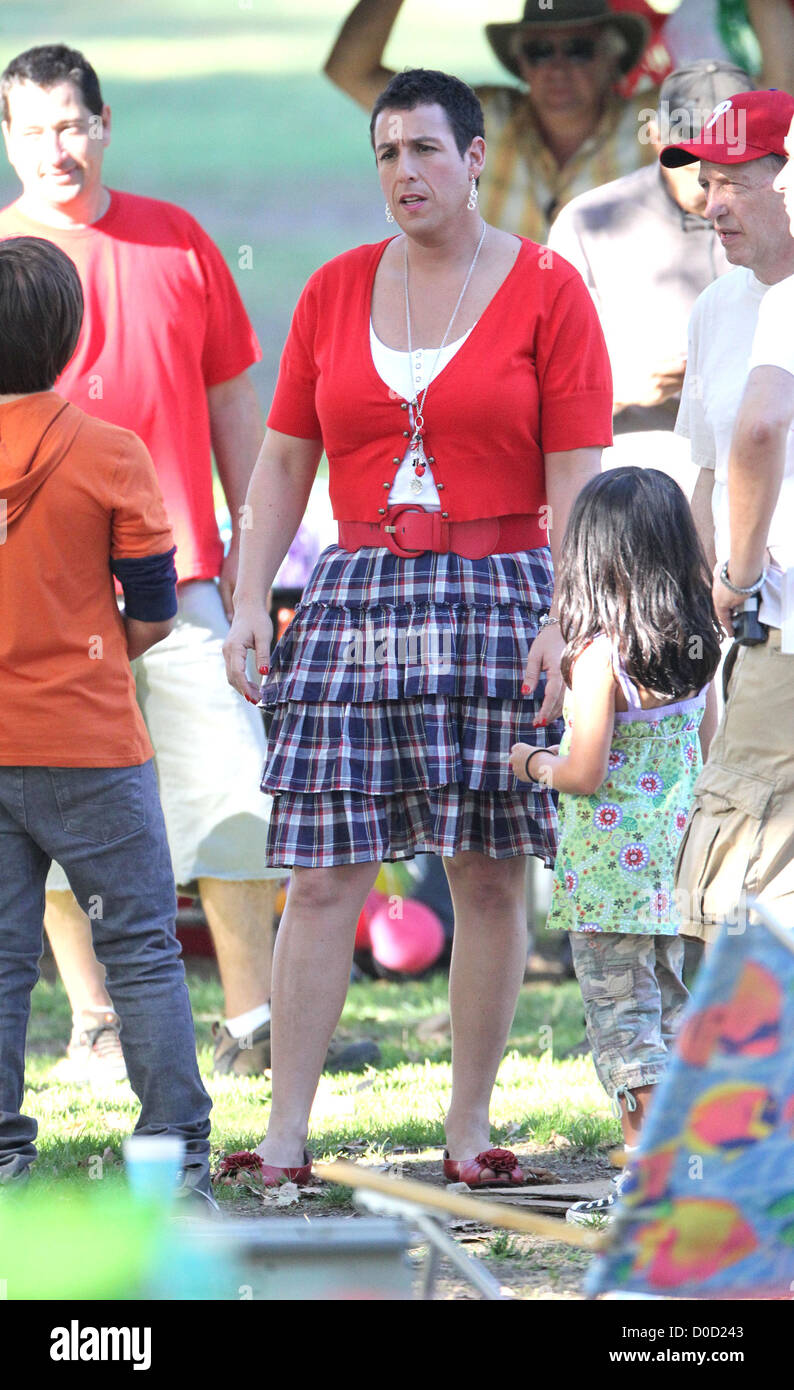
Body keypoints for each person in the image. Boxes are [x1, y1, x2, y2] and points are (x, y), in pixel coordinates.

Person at [223, 68, 613, 1188]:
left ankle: (467, 1126)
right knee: (323, 870)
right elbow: (284, 459)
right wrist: (252, 598)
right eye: (386, 152)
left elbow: (577, 476)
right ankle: (287, 1134)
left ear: (477, 155)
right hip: (355, 597)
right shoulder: (334, 289)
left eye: (426, 150)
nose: (403, 171)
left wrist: (569, 617)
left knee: (487, 873)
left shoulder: (546, 288)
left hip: (499, 589)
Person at [0, 45, 374, 1082]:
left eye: (70, 124)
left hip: (186, 577)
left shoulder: (179, 241)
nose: (55, 148)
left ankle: (250, 1022)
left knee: (235, 795)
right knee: (53, 797)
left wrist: (253, 577)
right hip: (35, 593)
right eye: (31, 129)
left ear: (105, 123)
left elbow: (236, 422)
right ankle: (94, 1021)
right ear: (7, 137)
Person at [0, 236, 213, 1197]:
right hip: (90, 743)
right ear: (71, 337)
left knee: (3, 963)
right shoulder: (110, 452)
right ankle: (175, 1152)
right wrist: (95, 653)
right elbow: (158, 607)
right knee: (139, 946)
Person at [511, 468, 721, 1222]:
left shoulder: (601, 657)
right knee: (666, 1013)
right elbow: (709, 743)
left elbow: (583, 770)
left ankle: (646, 1186)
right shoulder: (699, 646)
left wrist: (532, 763)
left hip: (606, 883)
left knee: (621, 1027)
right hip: (672, 871)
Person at [664, 88, 794, 941]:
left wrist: (737, 576)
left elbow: (758, 428)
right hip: (753, 635)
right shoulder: (719, 307)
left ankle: (745, 1076)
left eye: (736, 184)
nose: (712, 205)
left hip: (778, 626)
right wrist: (715, 599)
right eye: (707, 185)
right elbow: (708, 471)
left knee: (735, 885)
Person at [547, 59, 750, 494]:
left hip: (765, 457)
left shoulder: (783, 214)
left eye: (723, 161)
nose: (703, 179)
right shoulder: (589, 223)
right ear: (656, 137)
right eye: (688, 157)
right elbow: (543, 395)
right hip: (639, 467)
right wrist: (623, 387)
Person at [325, 0, 655, 243]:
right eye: (539, 51)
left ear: (613, 58)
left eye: (578, 49)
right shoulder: (479, 116)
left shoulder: (654, 126)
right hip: (499, 331)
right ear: (520, 63)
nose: (556, 67)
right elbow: (349, 71)